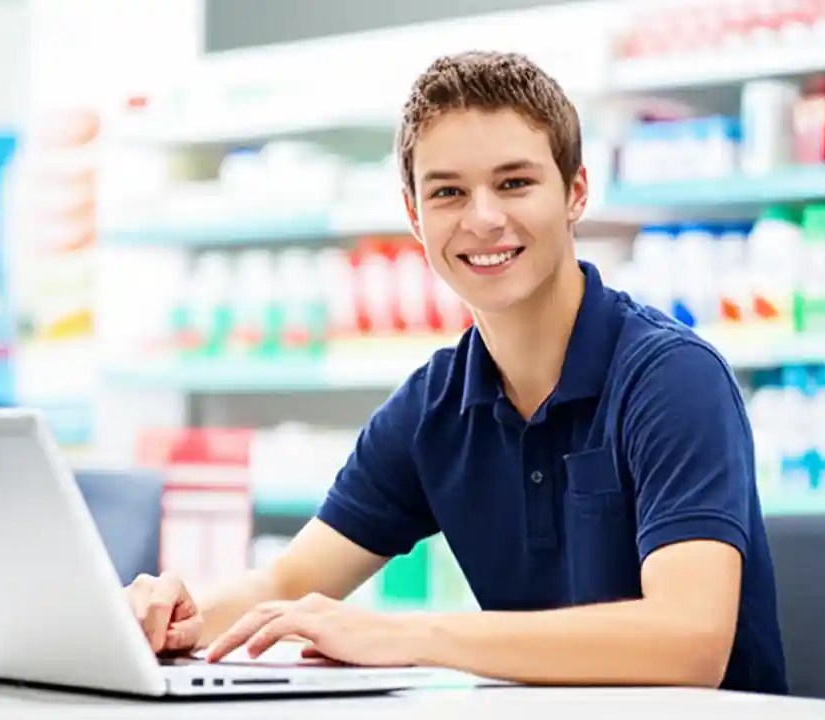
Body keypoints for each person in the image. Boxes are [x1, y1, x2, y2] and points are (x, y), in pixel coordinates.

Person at [124, 51, 788, 694]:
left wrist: (411, 636)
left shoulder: (671, 380)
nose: (484, 219)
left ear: (575, 192)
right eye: (448, 192)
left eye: (515, 182)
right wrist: (174, 619)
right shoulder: (432, 409)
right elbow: (285, 584)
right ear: (415, 215)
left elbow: (689, 642)